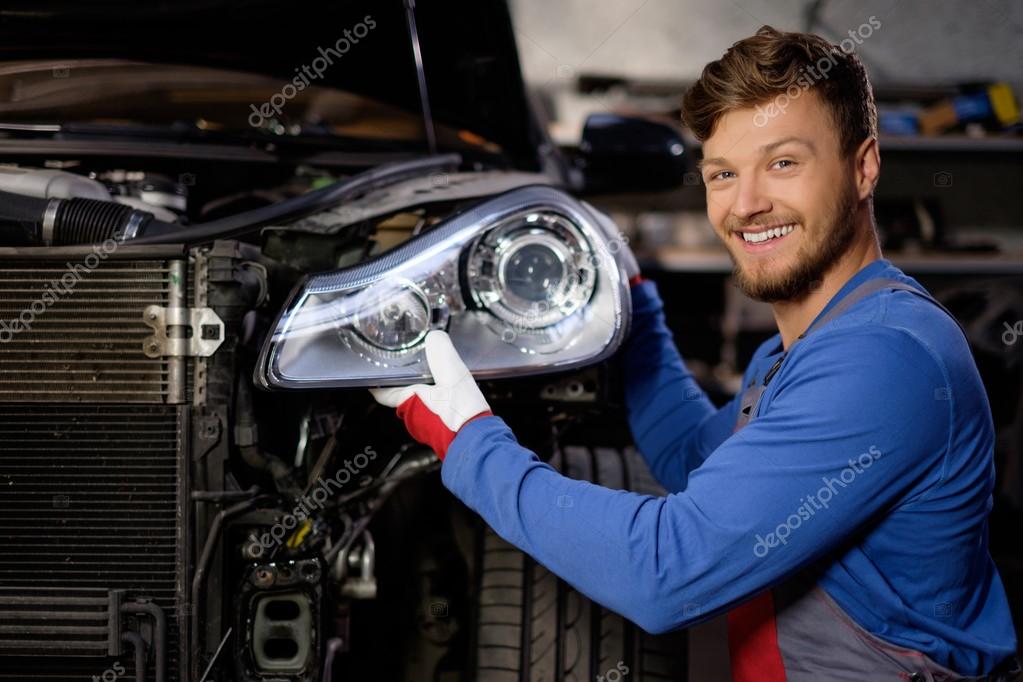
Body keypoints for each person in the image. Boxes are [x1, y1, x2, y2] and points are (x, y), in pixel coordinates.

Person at [371, 26, 1019, 681]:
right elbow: (692, 464)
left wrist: (466, 438)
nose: (746, 204)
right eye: (722, 173)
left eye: (783, 163)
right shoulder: (805, 348)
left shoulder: (884, 360)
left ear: (863, 166)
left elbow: (665, 573)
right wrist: (635, 304)